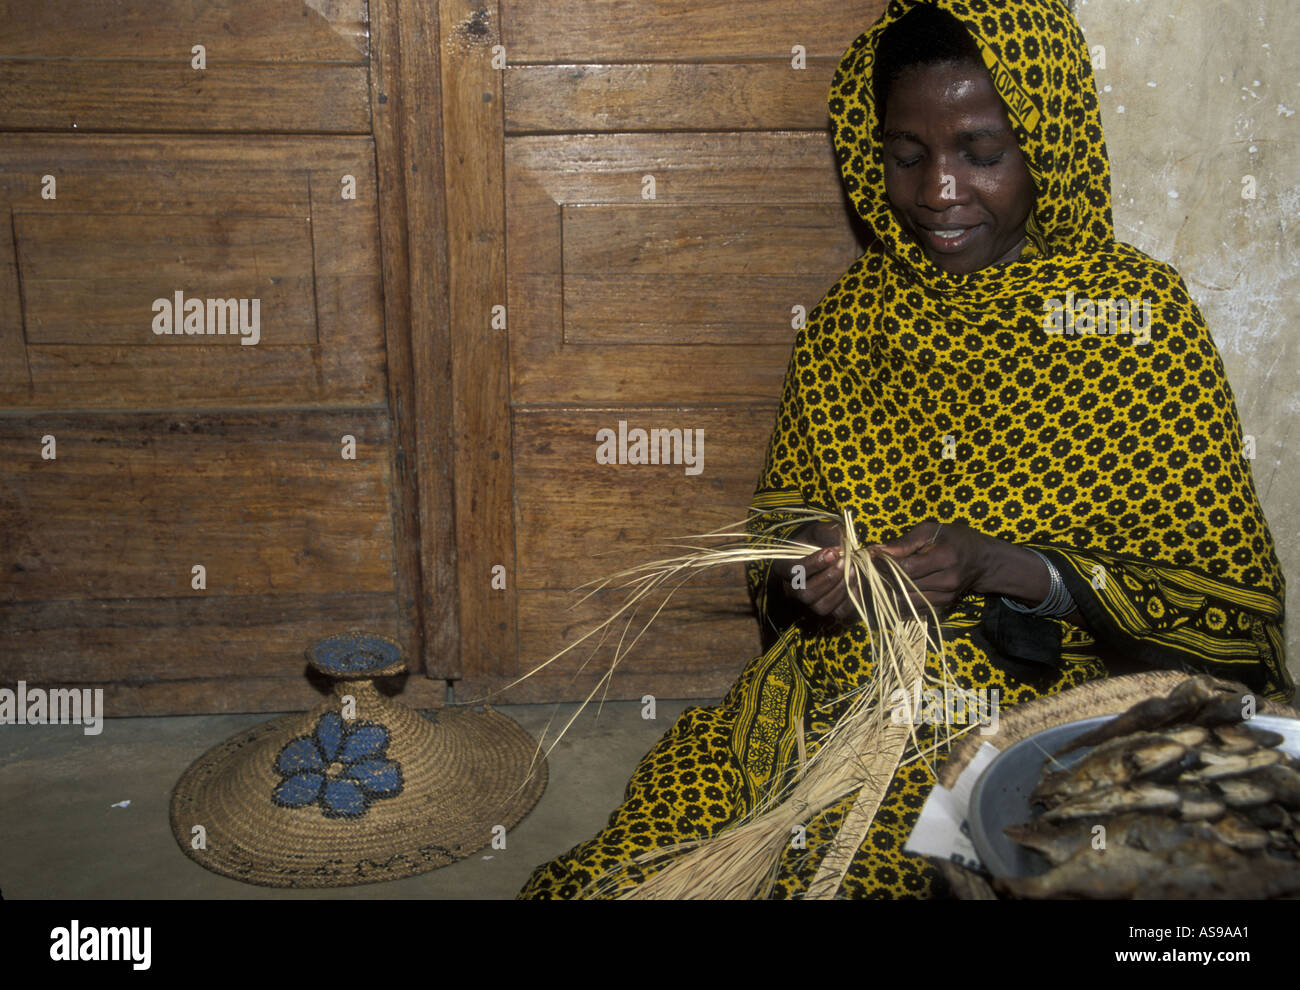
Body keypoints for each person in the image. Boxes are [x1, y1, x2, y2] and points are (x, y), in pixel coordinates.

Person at [519, 0, 1292, 899]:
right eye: (906, 155)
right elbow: (782, 518)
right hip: (844, 689)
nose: (939, 193)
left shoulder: (1135, 319)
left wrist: (1004, 566)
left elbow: (1227, 611)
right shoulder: (853, 316)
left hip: (1036, 711)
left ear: (1048, 142)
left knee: (903, 872)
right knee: (636, 870)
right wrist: (810, 560)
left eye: (981, 153)